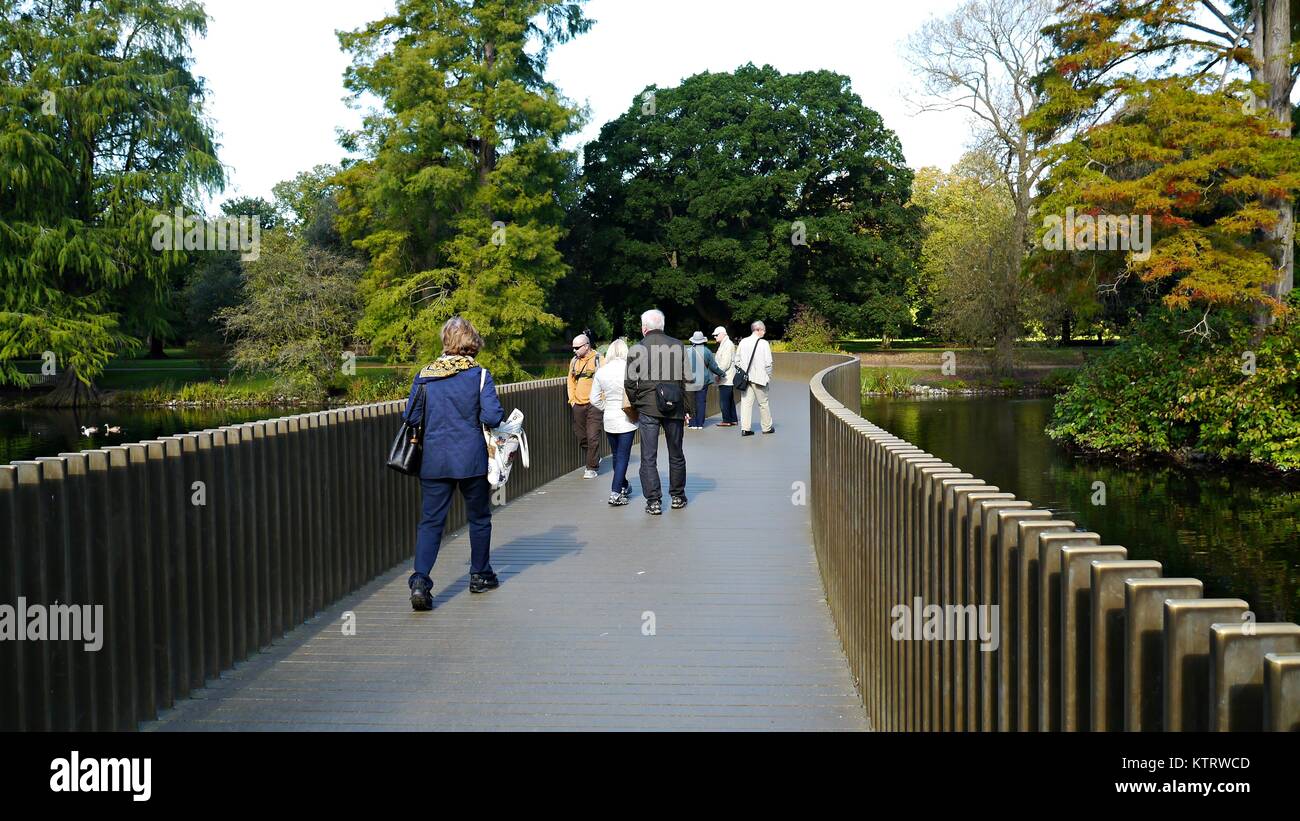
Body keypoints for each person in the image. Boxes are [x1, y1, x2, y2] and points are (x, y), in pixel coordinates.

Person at [404, 316, 505, 611]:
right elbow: (492, 416)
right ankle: (479, 575)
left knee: (431, 522)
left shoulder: (425, 375)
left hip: (434, 460)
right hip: (471, 459)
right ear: (471, 342)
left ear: (446, 341)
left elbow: (411, 417)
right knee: (479, 518)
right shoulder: (479, 375)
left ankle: (420, 581)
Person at [624, 308, 692, 515]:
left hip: (648, 407)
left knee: (648, 456)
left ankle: (654, 501)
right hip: (675, 405)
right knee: (676, 453)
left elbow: (629, 383)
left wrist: (637, 402)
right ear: (662, 325)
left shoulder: (637, 348)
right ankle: (677, 496)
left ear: (644, 328)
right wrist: (688, 408)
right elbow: (687, 380)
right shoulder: (678, 346)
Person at [590, 338, 636, 506]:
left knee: (617, 455)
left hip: (609, 417)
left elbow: (594, 398)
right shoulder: (630, 369)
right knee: (623, 456)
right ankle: (615, 492)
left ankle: (623, 485)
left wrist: (606, 407)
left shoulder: (602, 371)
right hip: (627, 418)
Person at [567, 333, 602, 479]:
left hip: (594, 404)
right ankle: (594, 456)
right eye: (573, 348)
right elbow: (570, 381)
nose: (574, 350)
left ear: (586, 346)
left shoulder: (599, 359)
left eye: (577, 347)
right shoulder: (574, 361)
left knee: (593, 435)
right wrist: (572, 400)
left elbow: (605, 380)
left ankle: (591, 468)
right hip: (578, 404)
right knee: (581, 436)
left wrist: (602, 400)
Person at [735, 320, 775, 437]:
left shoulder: (743, 342)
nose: (764, 332)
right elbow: (768, 363)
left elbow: (736, 360)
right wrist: (768, 376)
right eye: (763, 330)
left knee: (746, 403)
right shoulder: (764, 344)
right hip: (759, 378)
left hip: (746, 378)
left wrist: (742, 371)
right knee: (763, 403)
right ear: (758, 330)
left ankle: (745, 428)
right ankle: (766, 427)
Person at [685, 330, 725, 430]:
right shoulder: (707, 352)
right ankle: (700, 423)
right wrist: (721, 373)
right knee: (701, 402)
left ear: (693, 341)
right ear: (703, 341)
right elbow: (713, 367)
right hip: (703, 381)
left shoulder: (688, 351)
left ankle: (692, 423)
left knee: (691, 402)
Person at [711, 326, 738, 426]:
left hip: (726, 378)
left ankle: (726, 420)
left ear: (723, 334)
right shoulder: (726, 344)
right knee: (729, 400)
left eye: (716, 335)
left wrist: (718, 373)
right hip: (727, 377)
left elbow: (725, 363)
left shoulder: (727, 345)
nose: (715, 337)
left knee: (724, 400)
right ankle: (733, 419)